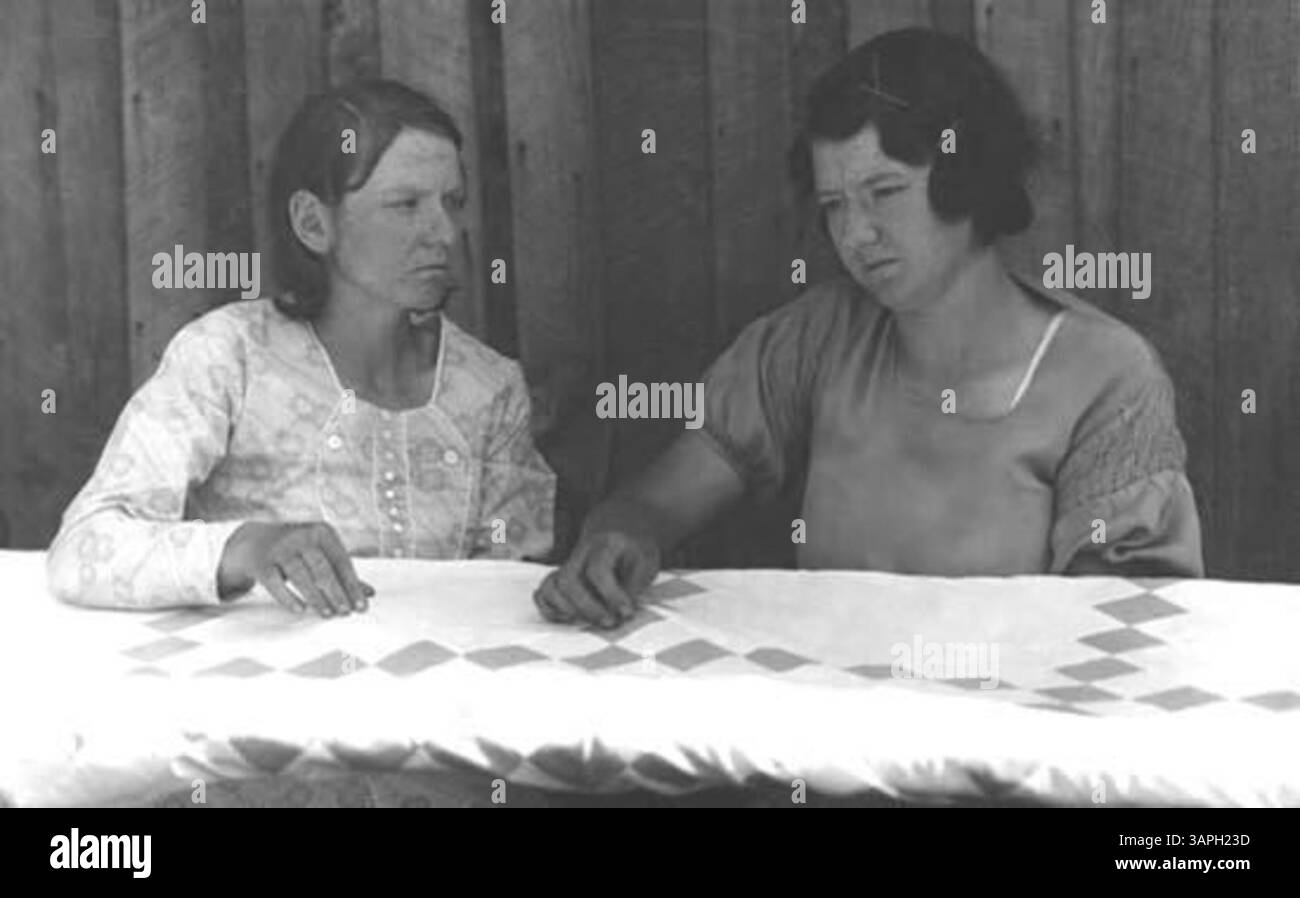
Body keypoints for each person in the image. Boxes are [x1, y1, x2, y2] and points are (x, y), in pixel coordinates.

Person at [534, 28, 1203, 629]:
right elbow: (662, 501)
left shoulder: (1107, 376)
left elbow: (1128, 630)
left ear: (968, 175)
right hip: (834, 730)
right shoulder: (814, 339)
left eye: (885, 193)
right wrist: (622, 535)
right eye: (833, 206)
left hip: (1014, 738)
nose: (856, 234)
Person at [47, 80, 555, 616]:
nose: (445, 233)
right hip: (255, 686)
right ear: (314, 223)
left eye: (452, 202)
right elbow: (84, 546)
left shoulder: (489, 390)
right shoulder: (227, 358)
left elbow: (508, 583)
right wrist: (246, 547)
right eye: (405, 204)